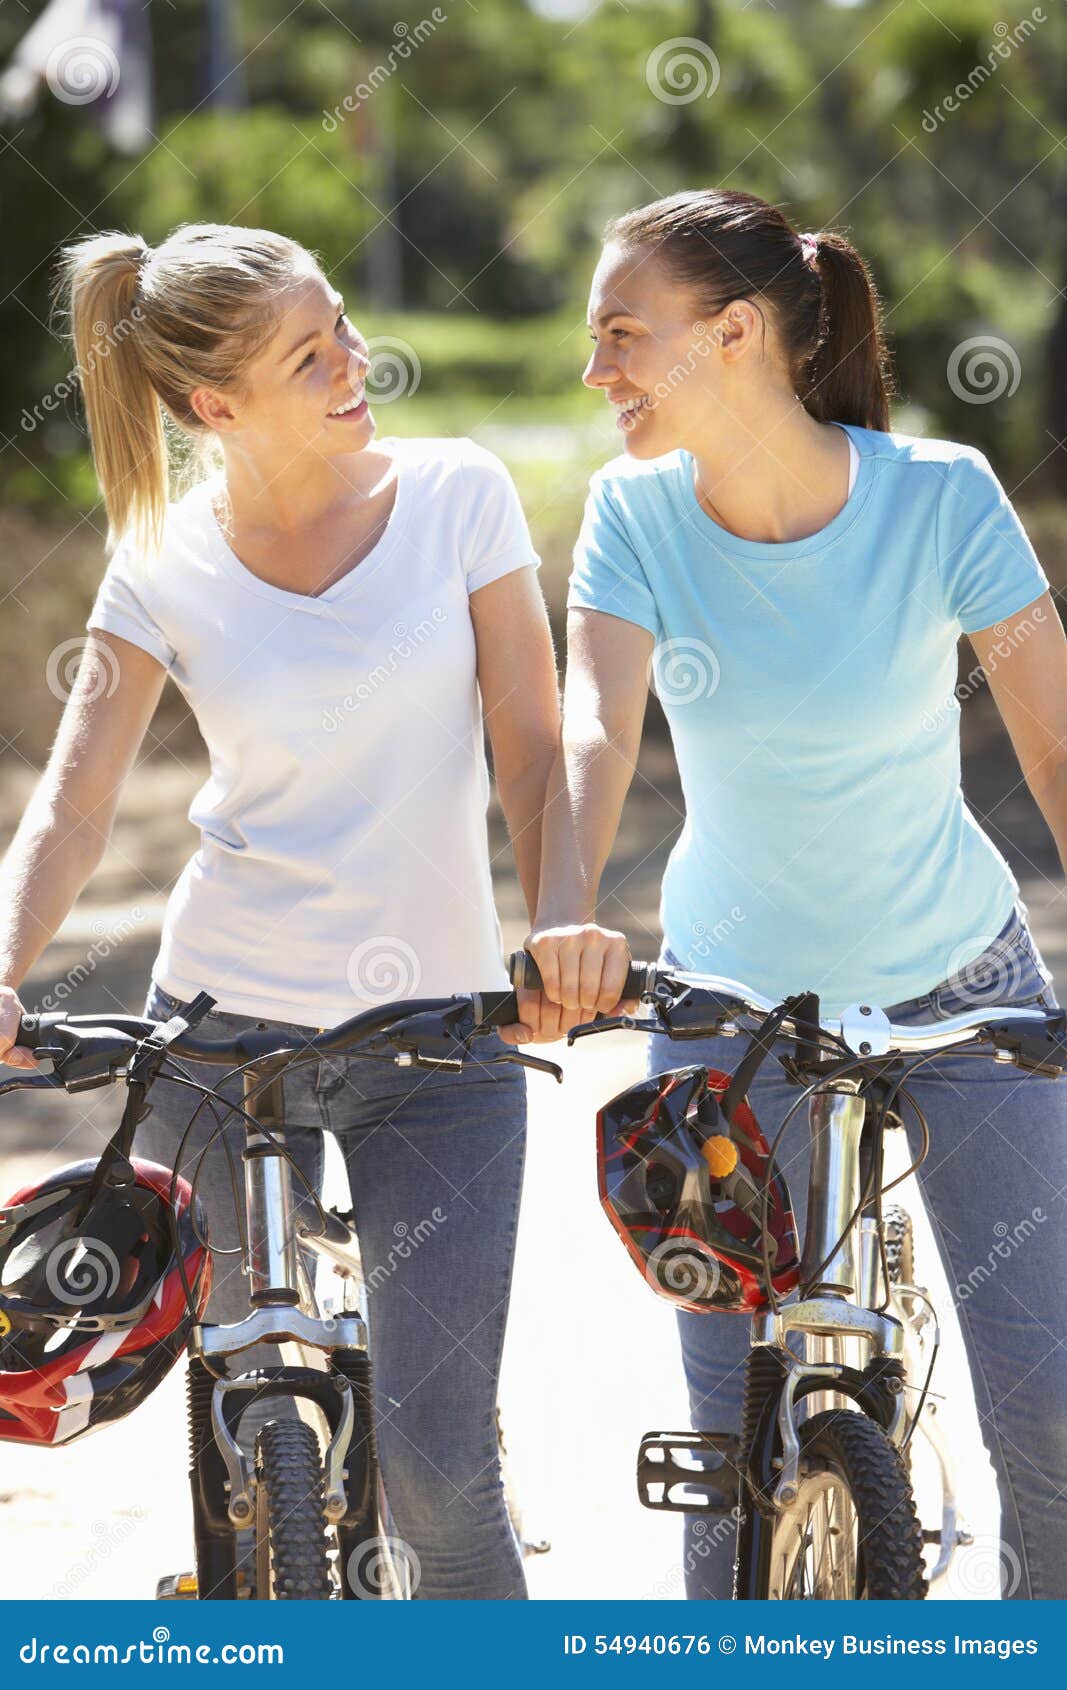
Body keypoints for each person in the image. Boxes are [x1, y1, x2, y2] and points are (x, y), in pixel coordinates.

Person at [0, 222, 560, 1600]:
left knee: (442, 1475)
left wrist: (558, 927)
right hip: (217, 1051)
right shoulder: (159, 561)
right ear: (214, 404)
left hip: (440, 1048)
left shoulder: (459, 496)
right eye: (311, 355)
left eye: (343, 326)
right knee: (249, 1411)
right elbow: (73, 805)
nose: (356, 361)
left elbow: (535, 749)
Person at [524, 189, 1067, 1598]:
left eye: (623, 334)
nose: (596, 371)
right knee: (729, 1436)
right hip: (729, 999)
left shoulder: (940, 494)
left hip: (959, 984)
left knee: (1050, 1415)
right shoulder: (635, 512)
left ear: (736, 333)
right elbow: (597, 726)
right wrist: (564, 912)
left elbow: (1055, 740)